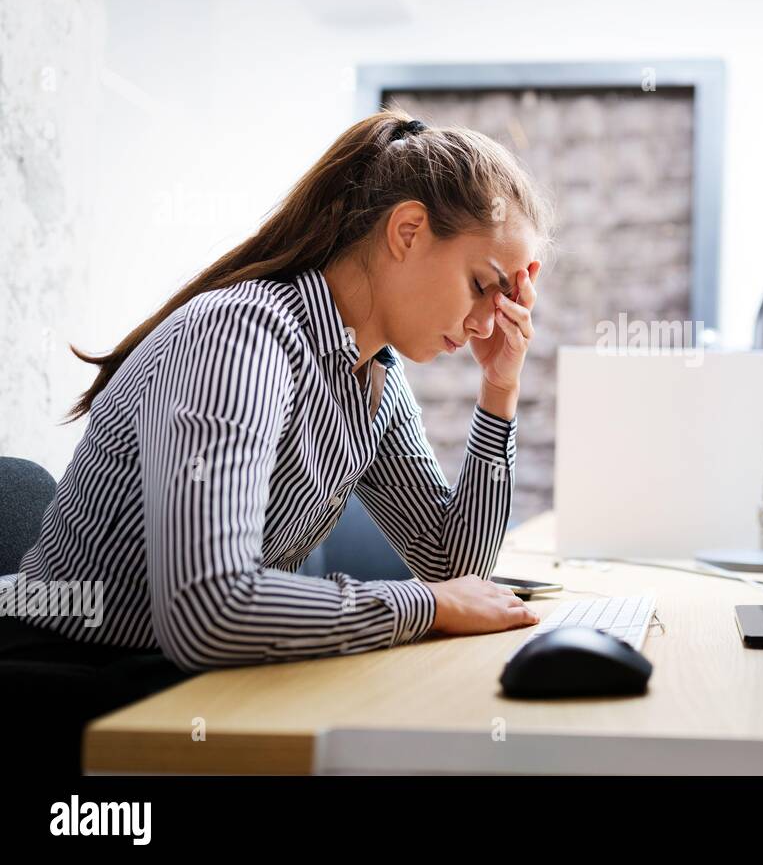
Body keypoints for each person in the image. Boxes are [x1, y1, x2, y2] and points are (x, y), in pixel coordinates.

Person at [1, 110, 552, 769]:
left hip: (179, 680)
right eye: (484, 285)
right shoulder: (241, 339)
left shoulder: (369, 372)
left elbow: (452, 562)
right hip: (64, 678)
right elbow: (209, 608)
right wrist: (425, 607)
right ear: (407, 231)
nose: (495, 319)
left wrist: (501, 389)